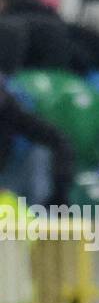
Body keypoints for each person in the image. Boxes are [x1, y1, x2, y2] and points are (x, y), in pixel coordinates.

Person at [0, 71, 73, 206]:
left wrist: (60, 190)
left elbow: (58, 141)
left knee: (40, 154)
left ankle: (45, 212)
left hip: (8, 182)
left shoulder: (10, 111)